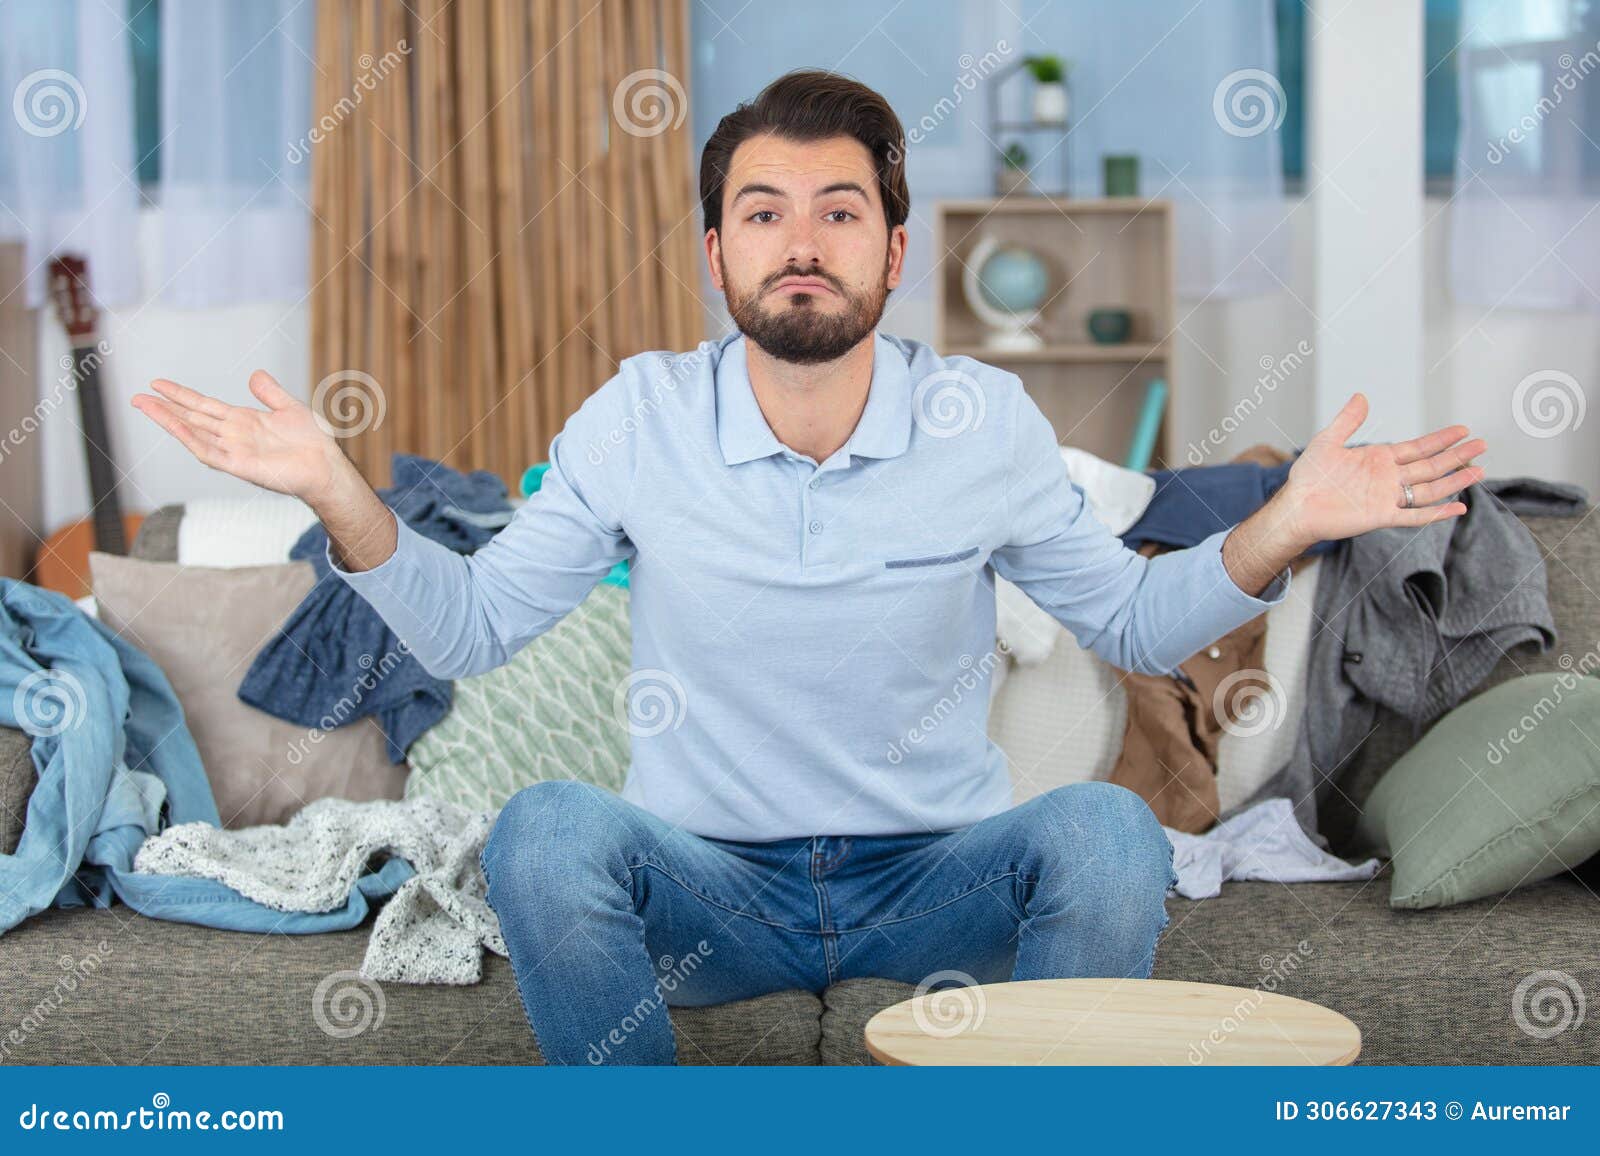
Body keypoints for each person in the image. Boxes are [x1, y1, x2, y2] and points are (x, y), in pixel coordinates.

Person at [134, 69, 1485, 1065]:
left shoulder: (983, 425)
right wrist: (334, 489)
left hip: (936, 879)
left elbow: (1134, 622)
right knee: (546, 829)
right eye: (763, 212)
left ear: (895, 253)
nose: (800, 242)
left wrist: (1287, 522)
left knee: (1108, 829)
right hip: (708, 891)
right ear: (718, 251)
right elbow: (475, 629)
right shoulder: (635, 417)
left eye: (840, 212)